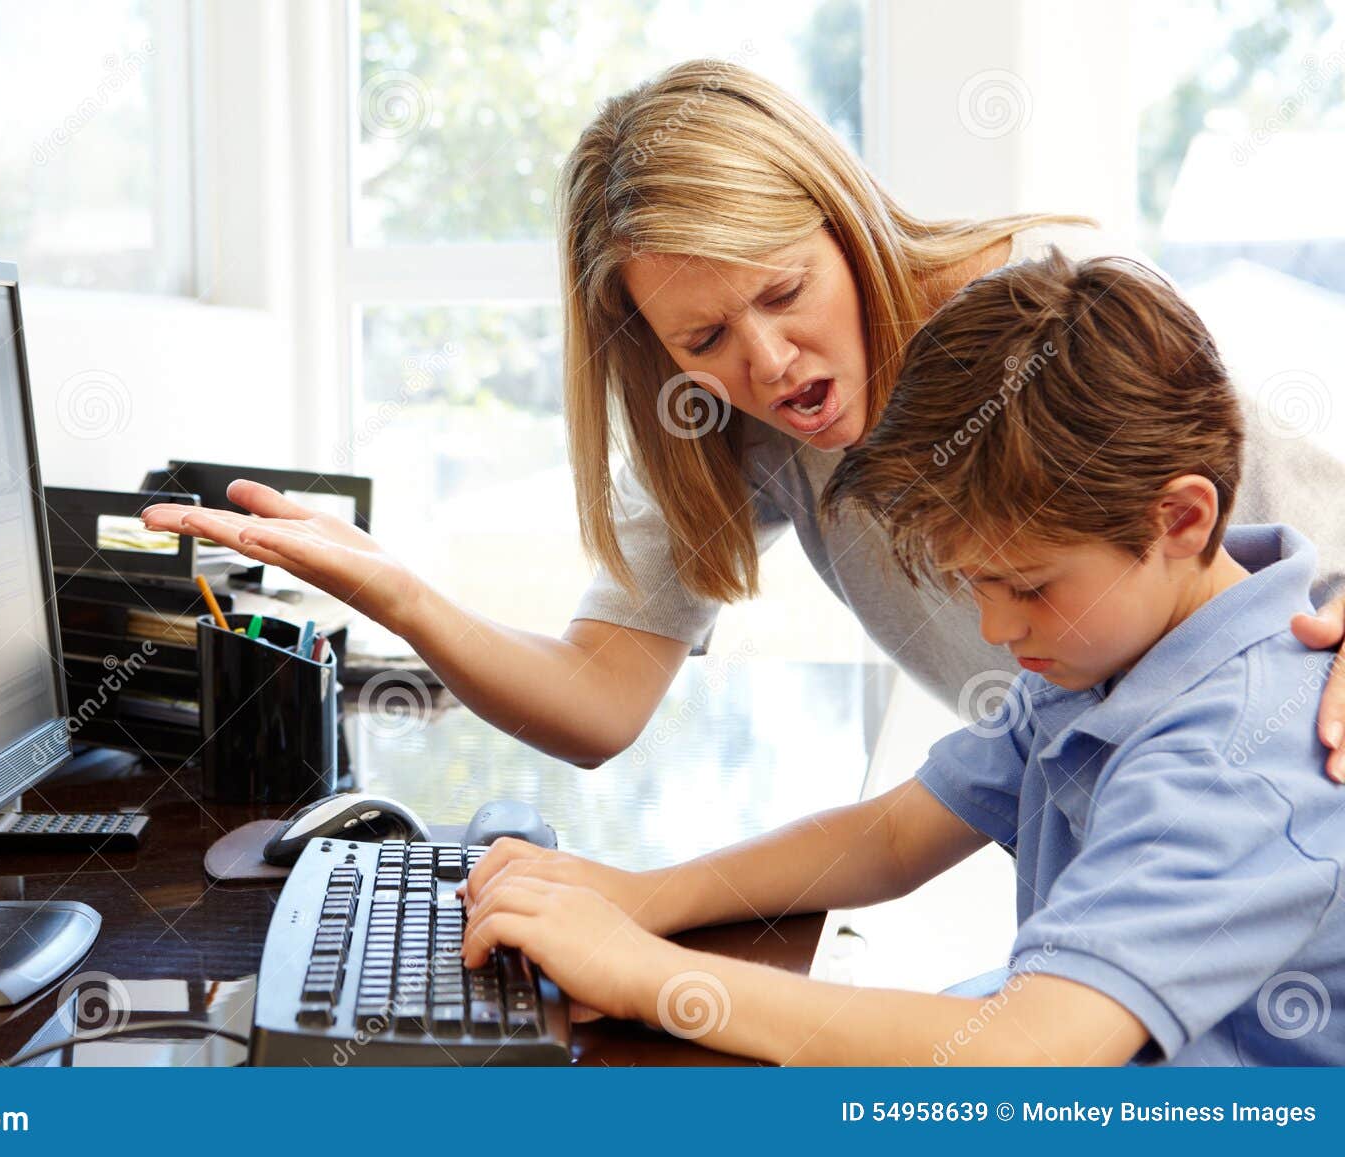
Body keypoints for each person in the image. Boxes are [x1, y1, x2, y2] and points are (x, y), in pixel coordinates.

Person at [140, 60, 1345, 778]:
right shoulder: (726, 424)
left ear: (842, 218)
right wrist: (393, 590)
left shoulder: (1044, 318)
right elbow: (599, 701)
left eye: (783, 292)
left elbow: (1314, 535)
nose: (768, 364)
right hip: (1098, 827)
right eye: (701, 337)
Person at [457, 253, 1345, 1065]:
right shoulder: (1124, 653)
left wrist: (646, 975)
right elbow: (894, 834)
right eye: (977, 585)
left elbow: (1026, 1055)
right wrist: (641, 897)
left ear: (1181, 520)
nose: (996, 627)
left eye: (1026, 587)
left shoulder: (1235, 756)